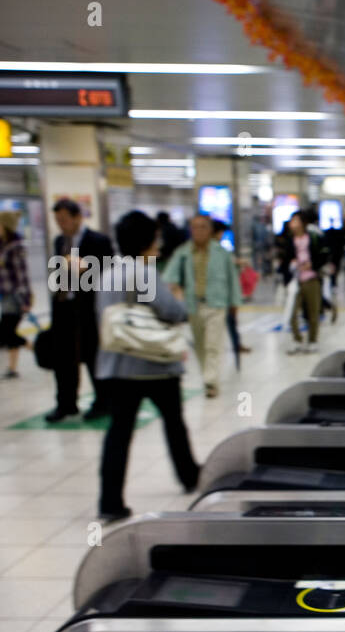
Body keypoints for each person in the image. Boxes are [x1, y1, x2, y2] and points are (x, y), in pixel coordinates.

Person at [95, 210, 199, 522]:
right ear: (146, 241)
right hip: (155, 366)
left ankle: (110, 501)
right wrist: (179, 300)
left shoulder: (107, 273)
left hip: (117, 366)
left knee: (119, 432)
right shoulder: (145, 273)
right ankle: (189, 475)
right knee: (173, 422)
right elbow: (174, 312)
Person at [162, 213, 241, 396]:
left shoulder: (221, 253)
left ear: (210, 230)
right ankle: (208, 375)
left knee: (213, 344)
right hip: (193, 305)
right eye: (194, 227)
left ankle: (210, 382)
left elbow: (232, 279)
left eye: (202, 227)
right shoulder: (183, 253)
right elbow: (169, 277)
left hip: (216, 303)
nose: (198, 231)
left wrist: (235, 302)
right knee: (200, 344)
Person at [50, 198, 114, 422]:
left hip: (89, 309)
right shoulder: (60, 242)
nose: (61, 225)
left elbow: (108, 272)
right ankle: (66, 403)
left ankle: (103, 401)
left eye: (65, 220)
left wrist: (85, 267)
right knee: (64, 358)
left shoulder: (98, 241)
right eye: (58, 220)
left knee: (93, 356)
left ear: (78, 217)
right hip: (64, 307)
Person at [276, 209, 330, 353]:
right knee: (292, 312)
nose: (292, 224)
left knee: (313, 311)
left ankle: (312, 340)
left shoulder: (313, 237)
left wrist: (312, 264)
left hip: (311, 278)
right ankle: (297, 339)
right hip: (295, 280)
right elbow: (284, 260)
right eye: (292, 221)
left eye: (296, 221)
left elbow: (324, 255)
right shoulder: (289, 241)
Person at [0, 210, 31, 380]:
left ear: (6, 226)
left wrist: (25, 299)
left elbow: (22, 275)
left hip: (14, 295)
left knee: (6, 332)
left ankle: (34, 348)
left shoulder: (16, 246)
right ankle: (12, 368)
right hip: (2, 294)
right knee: (9, 332)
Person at [211, 218, 251, 365]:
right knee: (229, 322)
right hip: (222, 296)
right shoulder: (217, 251)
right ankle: (235, 345)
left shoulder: (210, 250)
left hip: (214, 297)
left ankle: (233, 345)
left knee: (224, 324)